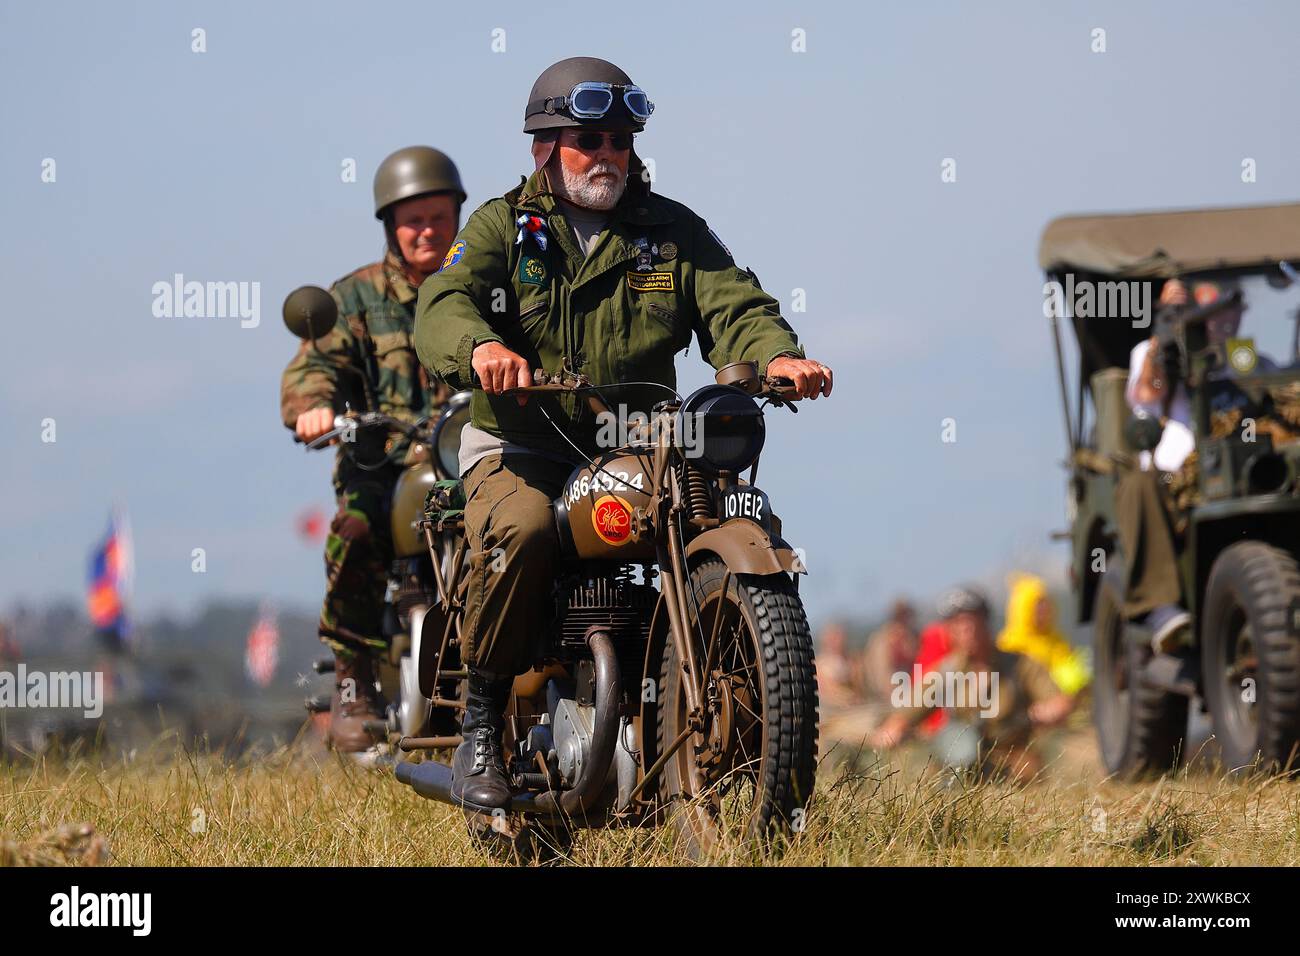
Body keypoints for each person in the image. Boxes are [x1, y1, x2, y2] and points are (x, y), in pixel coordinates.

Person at [415, 56, 834, 812]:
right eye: (588, 138)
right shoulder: (501, 230)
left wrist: (776, 354)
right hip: (523, 446)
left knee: (730, 513)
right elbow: (445, 298)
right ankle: (481, 719)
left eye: (619, 137)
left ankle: (726, 706)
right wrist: (480, 347)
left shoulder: (671, 232)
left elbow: (733, 302)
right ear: (545, 145)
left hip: (640, 445)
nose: (608, 152)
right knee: (526, 530)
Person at [280, 146, 466, 753]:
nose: (427, 231)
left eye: (438, 216)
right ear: (391, 225)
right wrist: (314, 408)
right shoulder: (355, 299)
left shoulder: (482, 289)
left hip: (471, 457)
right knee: (354, 527)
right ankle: (355, 678)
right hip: (382, 462)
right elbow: (316, 365)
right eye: (413, 220)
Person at [869, 586, 1072, 781]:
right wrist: (892, 731)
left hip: (1012, 762)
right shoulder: (946, 671)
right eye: (958, 623)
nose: (967, 629)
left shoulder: (1019, 664)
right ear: (950, 630)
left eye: (973, 621)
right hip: (960, 764)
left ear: (986, 624)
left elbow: (1058, 700)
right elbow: (907, 714)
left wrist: (1051, 710)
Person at [995, 574, 1089, 702]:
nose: (1044, 610)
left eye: (1045, 603)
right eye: (1037, 606)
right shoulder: (1009, 646)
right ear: (1022, 610)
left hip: (1071, 707)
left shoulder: (1059, 642)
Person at [861, 599, 917, 706]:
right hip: (889, 697)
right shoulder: (882, 640)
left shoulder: (911, 637)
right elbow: (881, 673)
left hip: (909, 694)